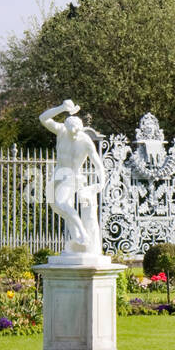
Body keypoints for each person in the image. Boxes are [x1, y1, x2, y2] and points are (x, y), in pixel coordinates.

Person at [40, 100, 105, 256]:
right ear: (67, 127)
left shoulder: (85, 141)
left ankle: (82, 234)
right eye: (72, 131)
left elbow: (97, 163)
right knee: (57, 206)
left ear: (81, 129)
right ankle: (78, 238)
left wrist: (101, 182)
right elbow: (43, 118)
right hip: (58, 175)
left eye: (77, 131)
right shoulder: (62, 131)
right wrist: (62, 108)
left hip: (73, 177)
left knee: (63, 203)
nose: (74, 134)